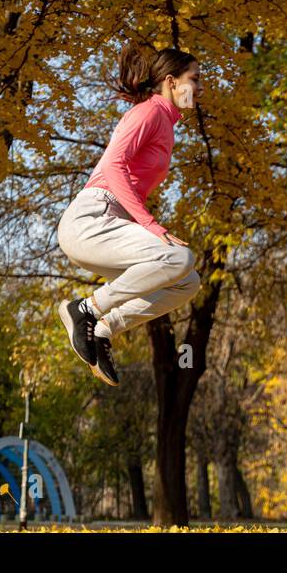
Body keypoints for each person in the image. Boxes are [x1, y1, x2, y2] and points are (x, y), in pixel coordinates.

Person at [55, 42, 204, 385]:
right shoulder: (149, 112)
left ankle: (104, 328)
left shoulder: (165, 123)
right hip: (91, 220)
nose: (199, 87)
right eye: (194, 79)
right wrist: (151, 226)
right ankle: (85, 311)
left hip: (109, 223)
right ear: (171, 81)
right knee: (180, 258)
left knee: (187, 281)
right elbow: (113, 165)